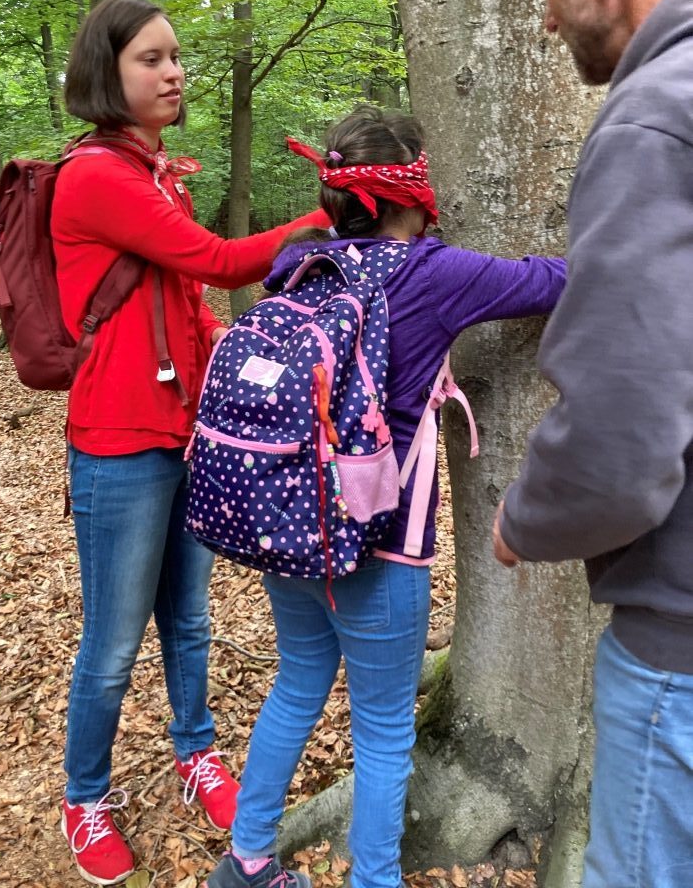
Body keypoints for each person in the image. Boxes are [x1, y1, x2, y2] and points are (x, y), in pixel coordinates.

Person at [202, 104, 567, 888]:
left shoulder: (300, 264)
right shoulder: (431, 273)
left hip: (287, 521)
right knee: (383, 729)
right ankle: (375, 880)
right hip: (379, 544)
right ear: (413, 191)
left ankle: (247, 858)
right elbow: (551, 282)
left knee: (297, 682)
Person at [50, 0, 331, 886]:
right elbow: (215, 260)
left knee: (193, 622)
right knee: (112, 645)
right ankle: (84, 797)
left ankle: (195, 754)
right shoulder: (97, 175)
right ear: (108, 73)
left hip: (183, 429)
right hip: (119, 441)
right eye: (151, 59)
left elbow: (184, 302)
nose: (174, 72)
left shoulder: (155, 168)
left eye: (176, 57)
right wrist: (328, 217)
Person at [491, 0, 693, 886]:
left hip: (683, 655)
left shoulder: (652, 122)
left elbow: (621, 443)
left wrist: (526, 517)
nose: (543, 12)